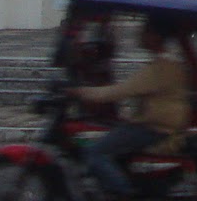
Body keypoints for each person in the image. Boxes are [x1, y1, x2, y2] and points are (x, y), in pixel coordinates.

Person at [70, 14, 190, 198]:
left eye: (145, 32)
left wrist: (81, 92)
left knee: (94, 153)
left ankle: (125, 194)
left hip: (153, 128)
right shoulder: (169, 63)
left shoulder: (160, 68)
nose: (140, 35)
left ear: (156, 36)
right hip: (158, 122)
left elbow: (120, 91)